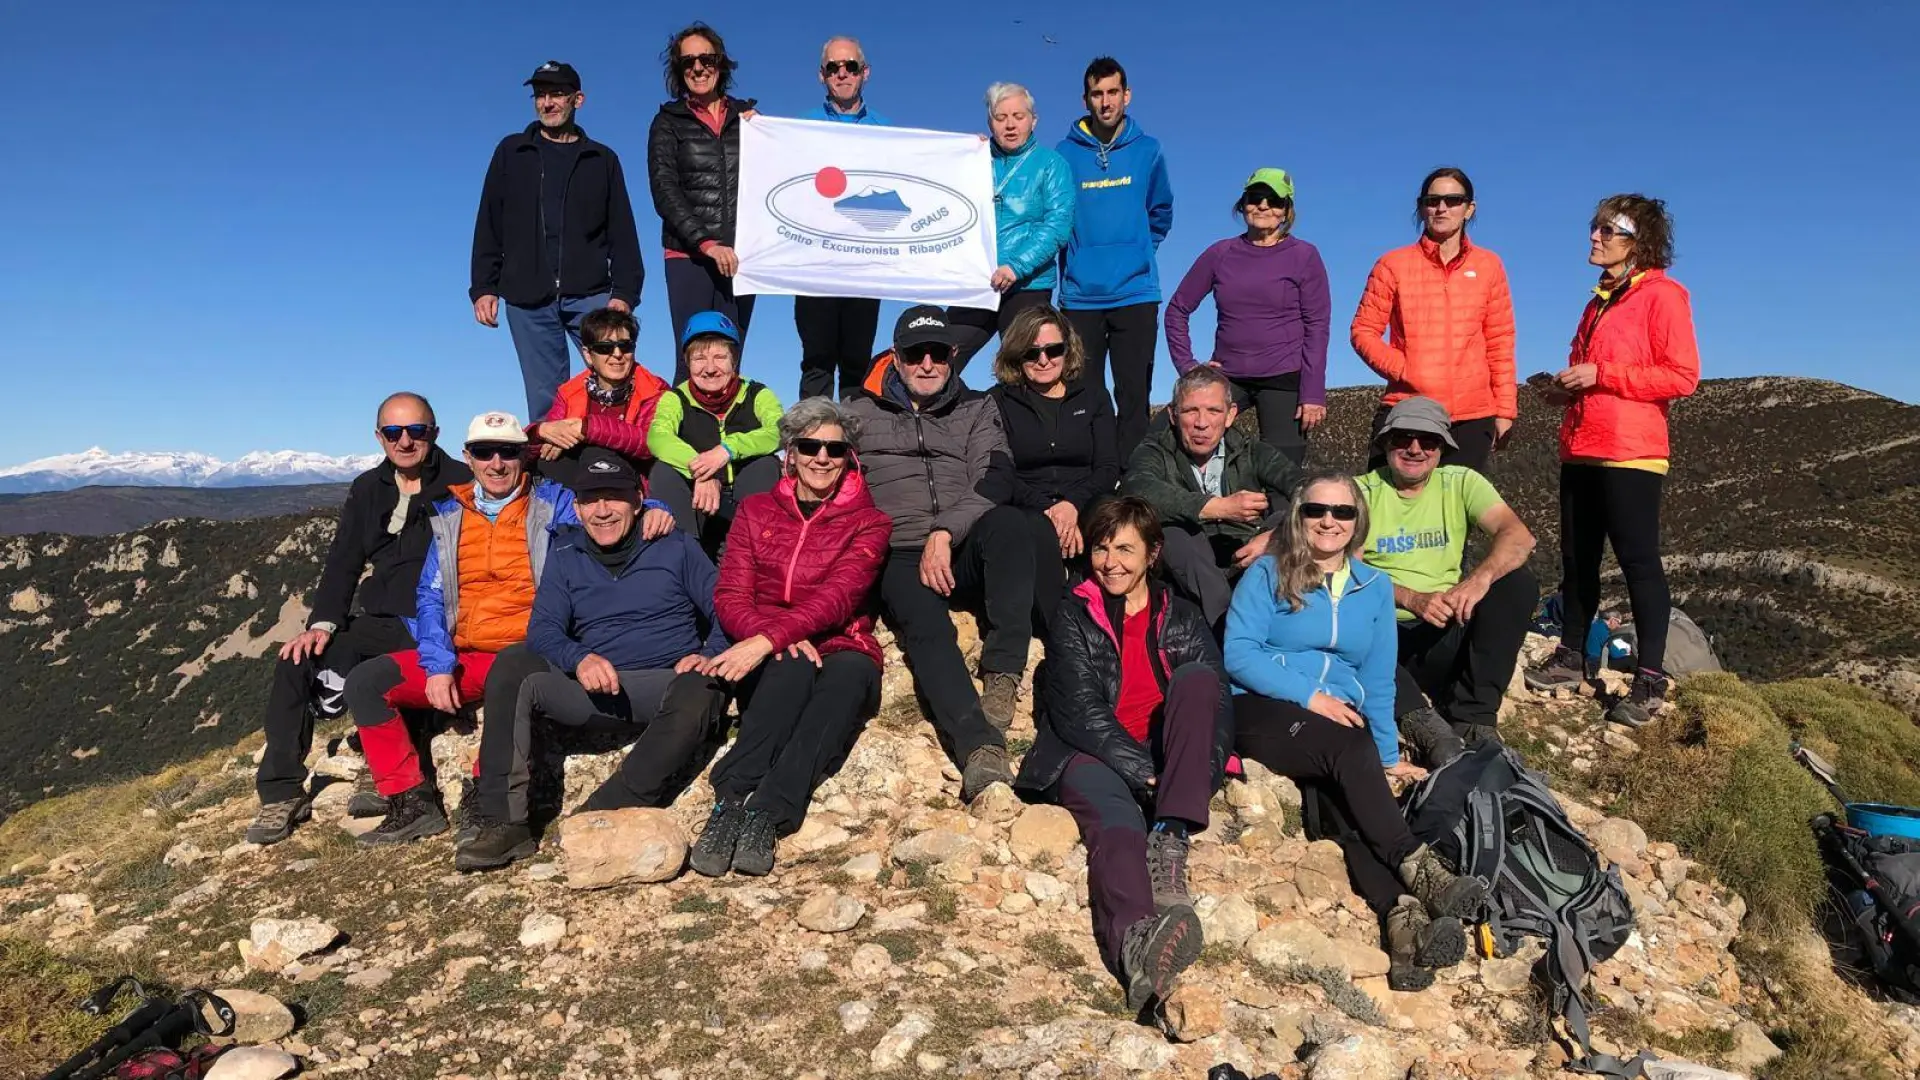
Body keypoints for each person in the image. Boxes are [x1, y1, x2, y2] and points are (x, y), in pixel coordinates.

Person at [1225, 470, 1490, 992]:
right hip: (1261, 708)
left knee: (1345, 797)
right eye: (1316, 510)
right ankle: (1419, 866)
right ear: (1299, 517)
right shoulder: (1268, 573)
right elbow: (1237, 654)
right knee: (1350, 747)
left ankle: (1403, 921)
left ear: (1357, 521)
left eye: (1342, 512)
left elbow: (1378, 678)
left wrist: (1388, 755)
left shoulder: (1376, 589)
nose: (1329, 521)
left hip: (1338, 728)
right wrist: (1311, 696)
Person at [458, 448, 727, 871]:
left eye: (614, 496)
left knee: (703, 688)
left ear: (638, 501)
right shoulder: (566, 555)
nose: (602, 510)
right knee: (512, 664)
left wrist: (707, 654)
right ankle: (503, 823)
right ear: (577, 507)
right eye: (589, 499)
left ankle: (608, 808)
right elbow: (543, 629)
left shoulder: (676, 547)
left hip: (664, 685)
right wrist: (578, 656)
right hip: (593, 691)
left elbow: (724, 610)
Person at [1014, 497, 1231, 1017]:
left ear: (1153, 554)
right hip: (1089, 752)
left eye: (1125, 549)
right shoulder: (1074, 610)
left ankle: (1172, 841)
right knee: (1115, 825)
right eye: (1101, 548)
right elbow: (1081, 711)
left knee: (1200, 678)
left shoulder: (1182, 615)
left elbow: (1216, 707)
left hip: (1163, 754)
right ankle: (1137, 945)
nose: (1110, 562)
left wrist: (1190, 778)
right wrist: (1147, 776)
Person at [245, 393, 472, 845]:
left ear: (434, 434)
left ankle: (382, 767)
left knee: (387, 672)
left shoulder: (462, 482)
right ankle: (281, 791)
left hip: (433, 622)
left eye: (416, 431)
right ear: (379, 437)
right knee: (295, 661)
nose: (405, 441)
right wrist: (322, 624)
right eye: (393, 432)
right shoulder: (369, 488)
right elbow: (344, 561)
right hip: (380, 616)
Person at [346, 412, 579, 846]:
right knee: (366, 682)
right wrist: (437, 664)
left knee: (509, 684)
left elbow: (613, 512)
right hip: (465, 652)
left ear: (524, 457)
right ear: (467, 458)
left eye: (508, 452)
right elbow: (430, 597)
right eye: (484, 452)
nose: (496, 463)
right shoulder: (451, 515)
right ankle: (410, 803)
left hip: (525, 651)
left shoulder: (554, 504)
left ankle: (481, 797)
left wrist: (654, 506)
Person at [690, 399, 894, 878]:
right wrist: (769, 636)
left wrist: (770, 638)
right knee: (790, 665)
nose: (821, 458)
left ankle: (770, 811)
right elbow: (732, 592)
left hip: (842, 640)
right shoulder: (756, 510)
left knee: (844, 686)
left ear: (849, 458)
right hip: (771, 640)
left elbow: (840, 597)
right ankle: (733, 796)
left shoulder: (871, 522)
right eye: (809, 446)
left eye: (834, 449)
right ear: (790, 453)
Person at [1524, 195, 1700, 726]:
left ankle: (1649, 680)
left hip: (1631, 452)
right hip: (1580, 445)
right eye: (1594, 228)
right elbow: (1592, 371)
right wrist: (1565, 390)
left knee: (1639, 564)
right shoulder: (1598, 300)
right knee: (1577, 561)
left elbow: (1681, 376)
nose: (1594, 237)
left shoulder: (1664, 295)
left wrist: (1601, 375)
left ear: (1636, 240)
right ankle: (1571, 656)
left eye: (1607, 230)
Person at [843, 305, 1029, 802]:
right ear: (896, 357)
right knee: (926, 629)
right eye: (914, 353)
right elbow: (822, 470)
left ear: (952, 357)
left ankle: (1005, 671)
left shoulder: (977, 408)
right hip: (899, 547)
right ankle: (979, 748)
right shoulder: (858, 412)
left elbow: (995, 476)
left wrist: (946, 531)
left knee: (1011, 526)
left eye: (938, 354)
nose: (927, 364)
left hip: (961, 539)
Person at [1357, 397, 1538, 751]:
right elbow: (1347, 568)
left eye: (1428, 441)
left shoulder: (1460, 482)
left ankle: (1473, 718)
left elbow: (1518, 537)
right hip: (1384, 632)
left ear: (1442, 448)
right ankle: (1416, 718)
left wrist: (1476, 581)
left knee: (1516, 584)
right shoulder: (1360, 491)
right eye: (1403, 439)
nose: (1415, 449)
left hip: (1443, 625)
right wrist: (1410, 598)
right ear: (1386, 443)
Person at [471, 61, 643, 420]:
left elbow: (622, 231)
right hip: (527, 296)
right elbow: (489, 221)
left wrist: (625, 293)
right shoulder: (512, 152)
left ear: (577, 100)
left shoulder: (602, 159)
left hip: (592, 293)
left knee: (618, 381)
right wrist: (484, 286)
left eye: (557, 94)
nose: (547, 103)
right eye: (540, 95)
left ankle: (619, 468)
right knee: (547, 400)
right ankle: (554, 475)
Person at [1350, 168, 1516, 474]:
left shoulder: (1489, 265)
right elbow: (1363, 331)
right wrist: (1405, 369)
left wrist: (1505, 409)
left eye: (1453, 200)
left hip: (1472, 416)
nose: (1442, 208)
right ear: (1421, 206)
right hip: (1407, 408)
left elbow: (1500, 341)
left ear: (1470, 208)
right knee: (1385, 512)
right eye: (1433, 200)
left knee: (1457, 517)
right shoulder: (1392, 264)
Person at [1166, 169, 1330, 466]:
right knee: (1166, 436)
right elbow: (1177, 310)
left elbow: (1317, 326)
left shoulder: (1305, 255)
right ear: (1242, 204)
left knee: (1283, 476)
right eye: (1255, 198)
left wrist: (1313, 392)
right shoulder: (1220, 253)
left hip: (1284, 376)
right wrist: (1188, 367)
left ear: (1286, 210)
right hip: (1228, 375)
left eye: (1274, 200)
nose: (1264, 206)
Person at [1119, 366, 1299, 628]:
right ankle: (1226, 629)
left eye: (1213, 411)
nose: (1201, 423)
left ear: (1230, 415)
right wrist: (1217, 507)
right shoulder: (1154, 450)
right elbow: (1137, 488)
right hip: (1187, 565)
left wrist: (1277, 537)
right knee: (1176, 534)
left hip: (1243, 553)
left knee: (1289, 522)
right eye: (1191, 411)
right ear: (1173, 414)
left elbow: (1307, 487)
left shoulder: (1251, 451)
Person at [1055, 57, 1173, 452]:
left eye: (1112, 93)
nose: (1105, 102)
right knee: (1082, 396)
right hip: (1080, 297)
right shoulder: (1064, 154)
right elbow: (1057, 216)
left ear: (1127, 95)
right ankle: (1094, 482)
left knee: (1133, 395)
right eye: (1096, 94)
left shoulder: (1149, 150)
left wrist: (1137, 253)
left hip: (1136, 294)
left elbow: (1161, 213)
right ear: (1085, 99)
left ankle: (1133, 483)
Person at [987, 305, 1119, 637]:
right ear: (1017, 354)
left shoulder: (1094, 396)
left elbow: (1107, 466)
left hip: (1086, 499)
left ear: (1067, 349)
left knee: (1119, 526)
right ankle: (1061, 634)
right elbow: (1000, 470)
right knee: (1030, 531)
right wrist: (1049, 509)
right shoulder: (997, 402)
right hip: (1029, 504)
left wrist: (1071, 505)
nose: (1044, 360)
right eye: (1032, 352)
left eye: (1053, 349)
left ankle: (1122, 625)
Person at [649, 23, 756, 377]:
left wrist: (766, 134)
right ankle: (681, 433)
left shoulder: (749, 120)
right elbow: (665, 191)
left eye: (706, 59)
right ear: (678, 71)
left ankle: (727, 434)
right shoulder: (668, 122)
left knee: (728, 360)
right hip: (688, 257)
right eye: (688, 61)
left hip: (741, 258)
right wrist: (707, 244)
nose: (698, 68)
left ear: (721, 64)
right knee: (694, 358)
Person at [949, 83, 1075, 372]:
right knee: (944, 356)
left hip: (1027, 283)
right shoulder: (976, 161)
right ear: (989, 122)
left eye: (1018, 116)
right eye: (1000, 117)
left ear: (1034, 120)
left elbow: (1057, 226)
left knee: (1023, 367)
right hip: (978, 280)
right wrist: (960, 155)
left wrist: (1015, 267)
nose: (1010, 125)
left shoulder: (1052, 165)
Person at [645, 311, 784, 559]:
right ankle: (684, 559)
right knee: (663, 471)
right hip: (696, 498)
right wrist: (701, 470)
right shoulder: (675, 398)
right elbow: (658, 437)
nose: (710, 368)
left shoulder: (757, 393)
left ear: (734, 361)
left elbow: (779, 430)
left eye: (720, 357)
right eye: (699, 358)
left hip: (744, 495)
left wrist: (726, 450)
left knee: (765, 465)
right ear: (687, 363)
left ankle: (749, 557)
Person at [795, 36, 889, 400]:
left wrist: (969, 153)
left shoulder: (889, 133)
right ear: (822, 75)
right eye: (834, 67)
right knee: (816, 360)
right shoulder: (799, 130)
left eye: (850, 66)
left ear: (864, 72)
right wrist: (756, 131)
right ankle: (811, 444)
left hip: (864, 265)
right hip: (814, 262)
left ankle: (851, 447)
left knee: (856, 362)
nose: (842, 73)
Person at [527, 306, 671, 465]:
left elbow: (653, 443)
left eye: (625, 346)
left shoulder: (655, 391)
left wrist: (588, 428)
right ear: (588, 355)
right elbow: (532, 452)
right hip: (581, 479)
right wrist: (540, 432)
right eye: (605, 348)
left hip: (633, 481)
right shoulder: (568, 393)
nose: (617, 354)